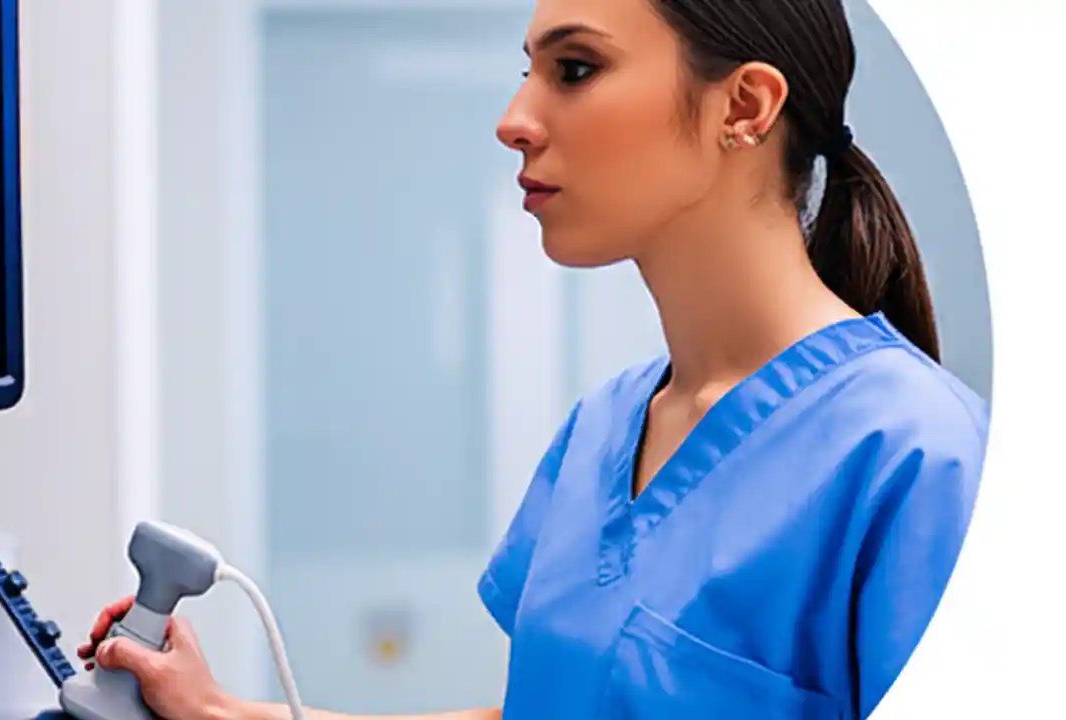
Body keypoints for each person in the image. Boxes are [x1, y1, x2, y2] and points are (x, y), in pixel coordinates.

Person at [76, 0, 989, 717]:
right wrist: (226, 714)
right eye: (530, 74)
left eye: (575, 69)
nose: (515, 119)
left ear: (743, 106)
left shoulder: (915, 456)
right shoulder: (605, 429)